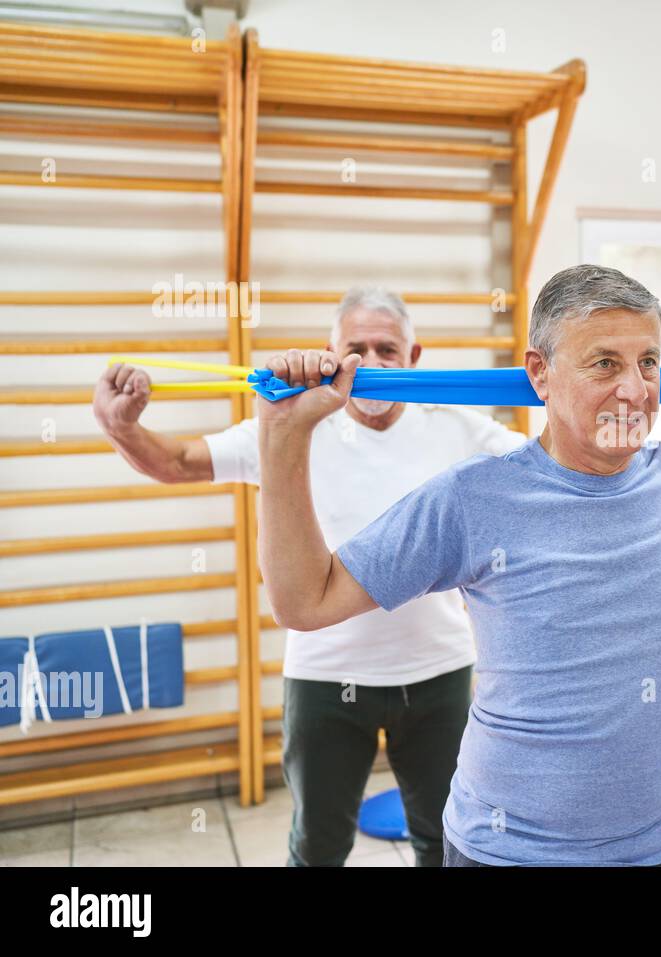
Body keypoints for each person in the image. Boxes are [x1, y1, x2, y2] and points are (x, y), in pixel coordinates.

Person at [254, 264, 661, 866]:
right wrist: (284, 438)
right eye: (605, 363)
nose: (634, 389)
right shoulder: (472, 498)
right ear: (539, 372)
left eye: (648, 361)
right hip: (511, 850)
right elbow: (306, 600)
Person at [92, 287, 525, 866]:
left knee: (443, 840)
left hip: (438, 672)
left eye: (387, 350)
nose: (370, 363)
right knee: (317, 846)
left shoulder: (458, 427)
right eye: (356, 348)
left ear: (414, 355)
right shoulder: (289, 423)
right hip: (324, 678)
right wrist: (121, 427)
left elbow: (545, 469)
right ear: (331, 351)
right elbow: (175, 461)